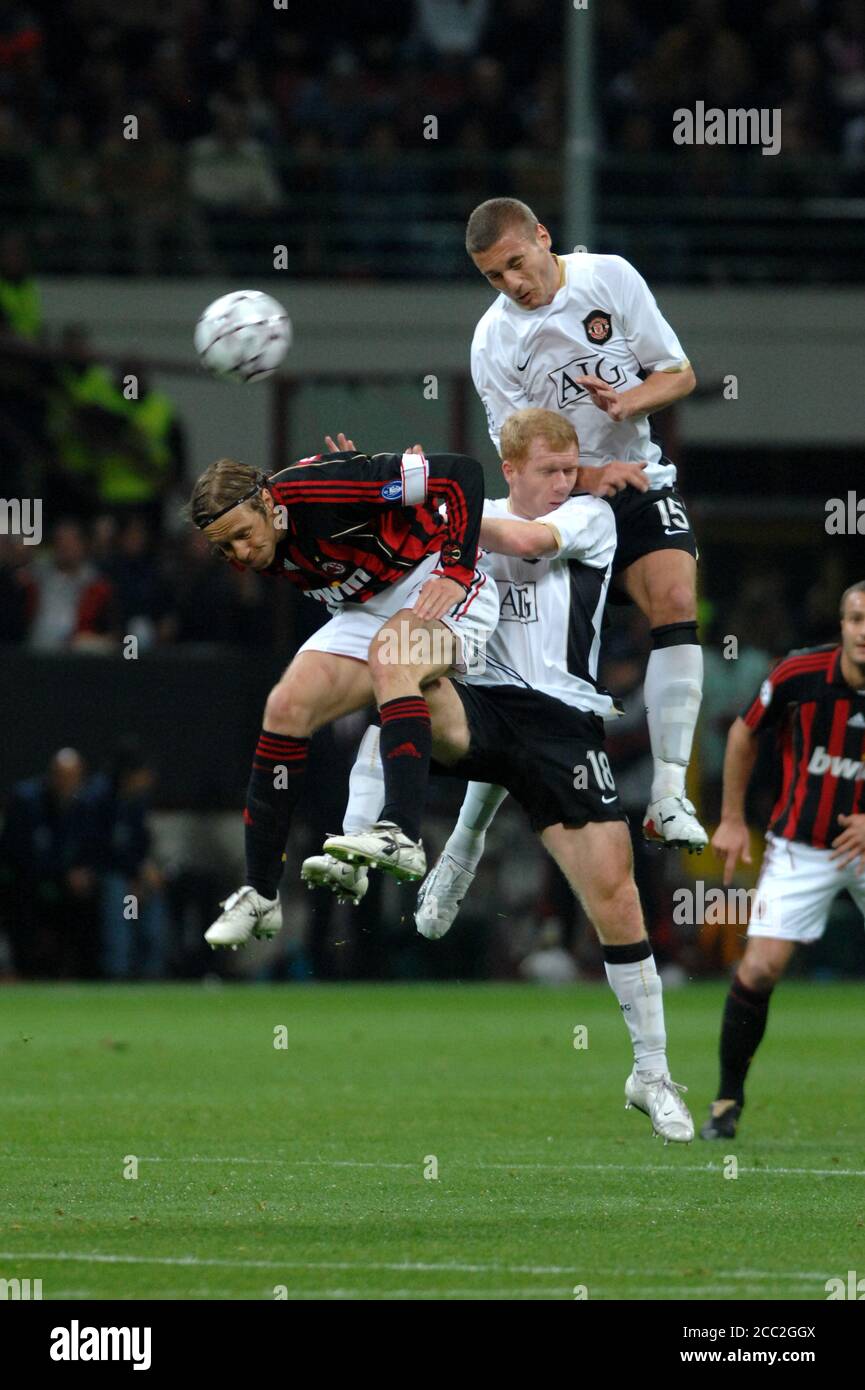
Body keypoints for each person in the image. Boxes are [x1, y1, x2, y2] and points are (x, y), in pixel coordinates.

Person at [307, 410, 694, 1142]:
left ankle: (650, 1072)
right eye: (547, 470)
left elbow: (525, 541)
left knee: (614, 896)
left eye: (569, 467)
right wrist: (370, 491)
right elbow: (375, 554)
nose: (563, 482)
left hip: (562, 723)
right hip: (480, 705)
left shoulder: (586, 517)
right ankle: (362, 840)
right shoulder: (466, 512)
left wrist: (423, 498)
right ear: (506, 467)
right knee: (394, 673)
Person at [186, 444, 497, 950]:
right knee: (284, 707)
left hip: (437, 582)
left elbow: (460, 474)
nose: (240, 553)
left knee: (393, 656)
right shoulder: (262, 529)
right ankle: (261, 892)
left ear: (268, 501)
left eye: (243, 535)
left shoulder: (327, 488)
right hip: (363, 608)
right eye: (226, 548)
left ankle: (399, 830)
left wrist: (456, 567)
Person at [466, 196, 704, 851]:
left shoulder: (609, 278)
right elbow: (516, 452)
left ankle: (668, 795)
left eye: (517, 262)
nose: (512, 283)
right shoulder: (492, 340)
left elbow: (678, 374)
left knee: (678, 601)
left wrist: (627, 401)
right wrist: (581, 476)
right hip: (562, 503)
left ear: (544, 237)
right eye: (493, 276)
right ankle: (463, 843)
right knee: (537, 684)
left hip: (635, 479)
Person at [702, 581, 865, 1139]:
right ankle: (726, 1101)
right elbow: (745, 734)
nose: (863, 632)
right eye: (855, 619)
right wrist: (728, 818)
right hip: (802, 845)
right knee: (762, 967)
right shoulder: (797, 674)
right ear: (841, 625)